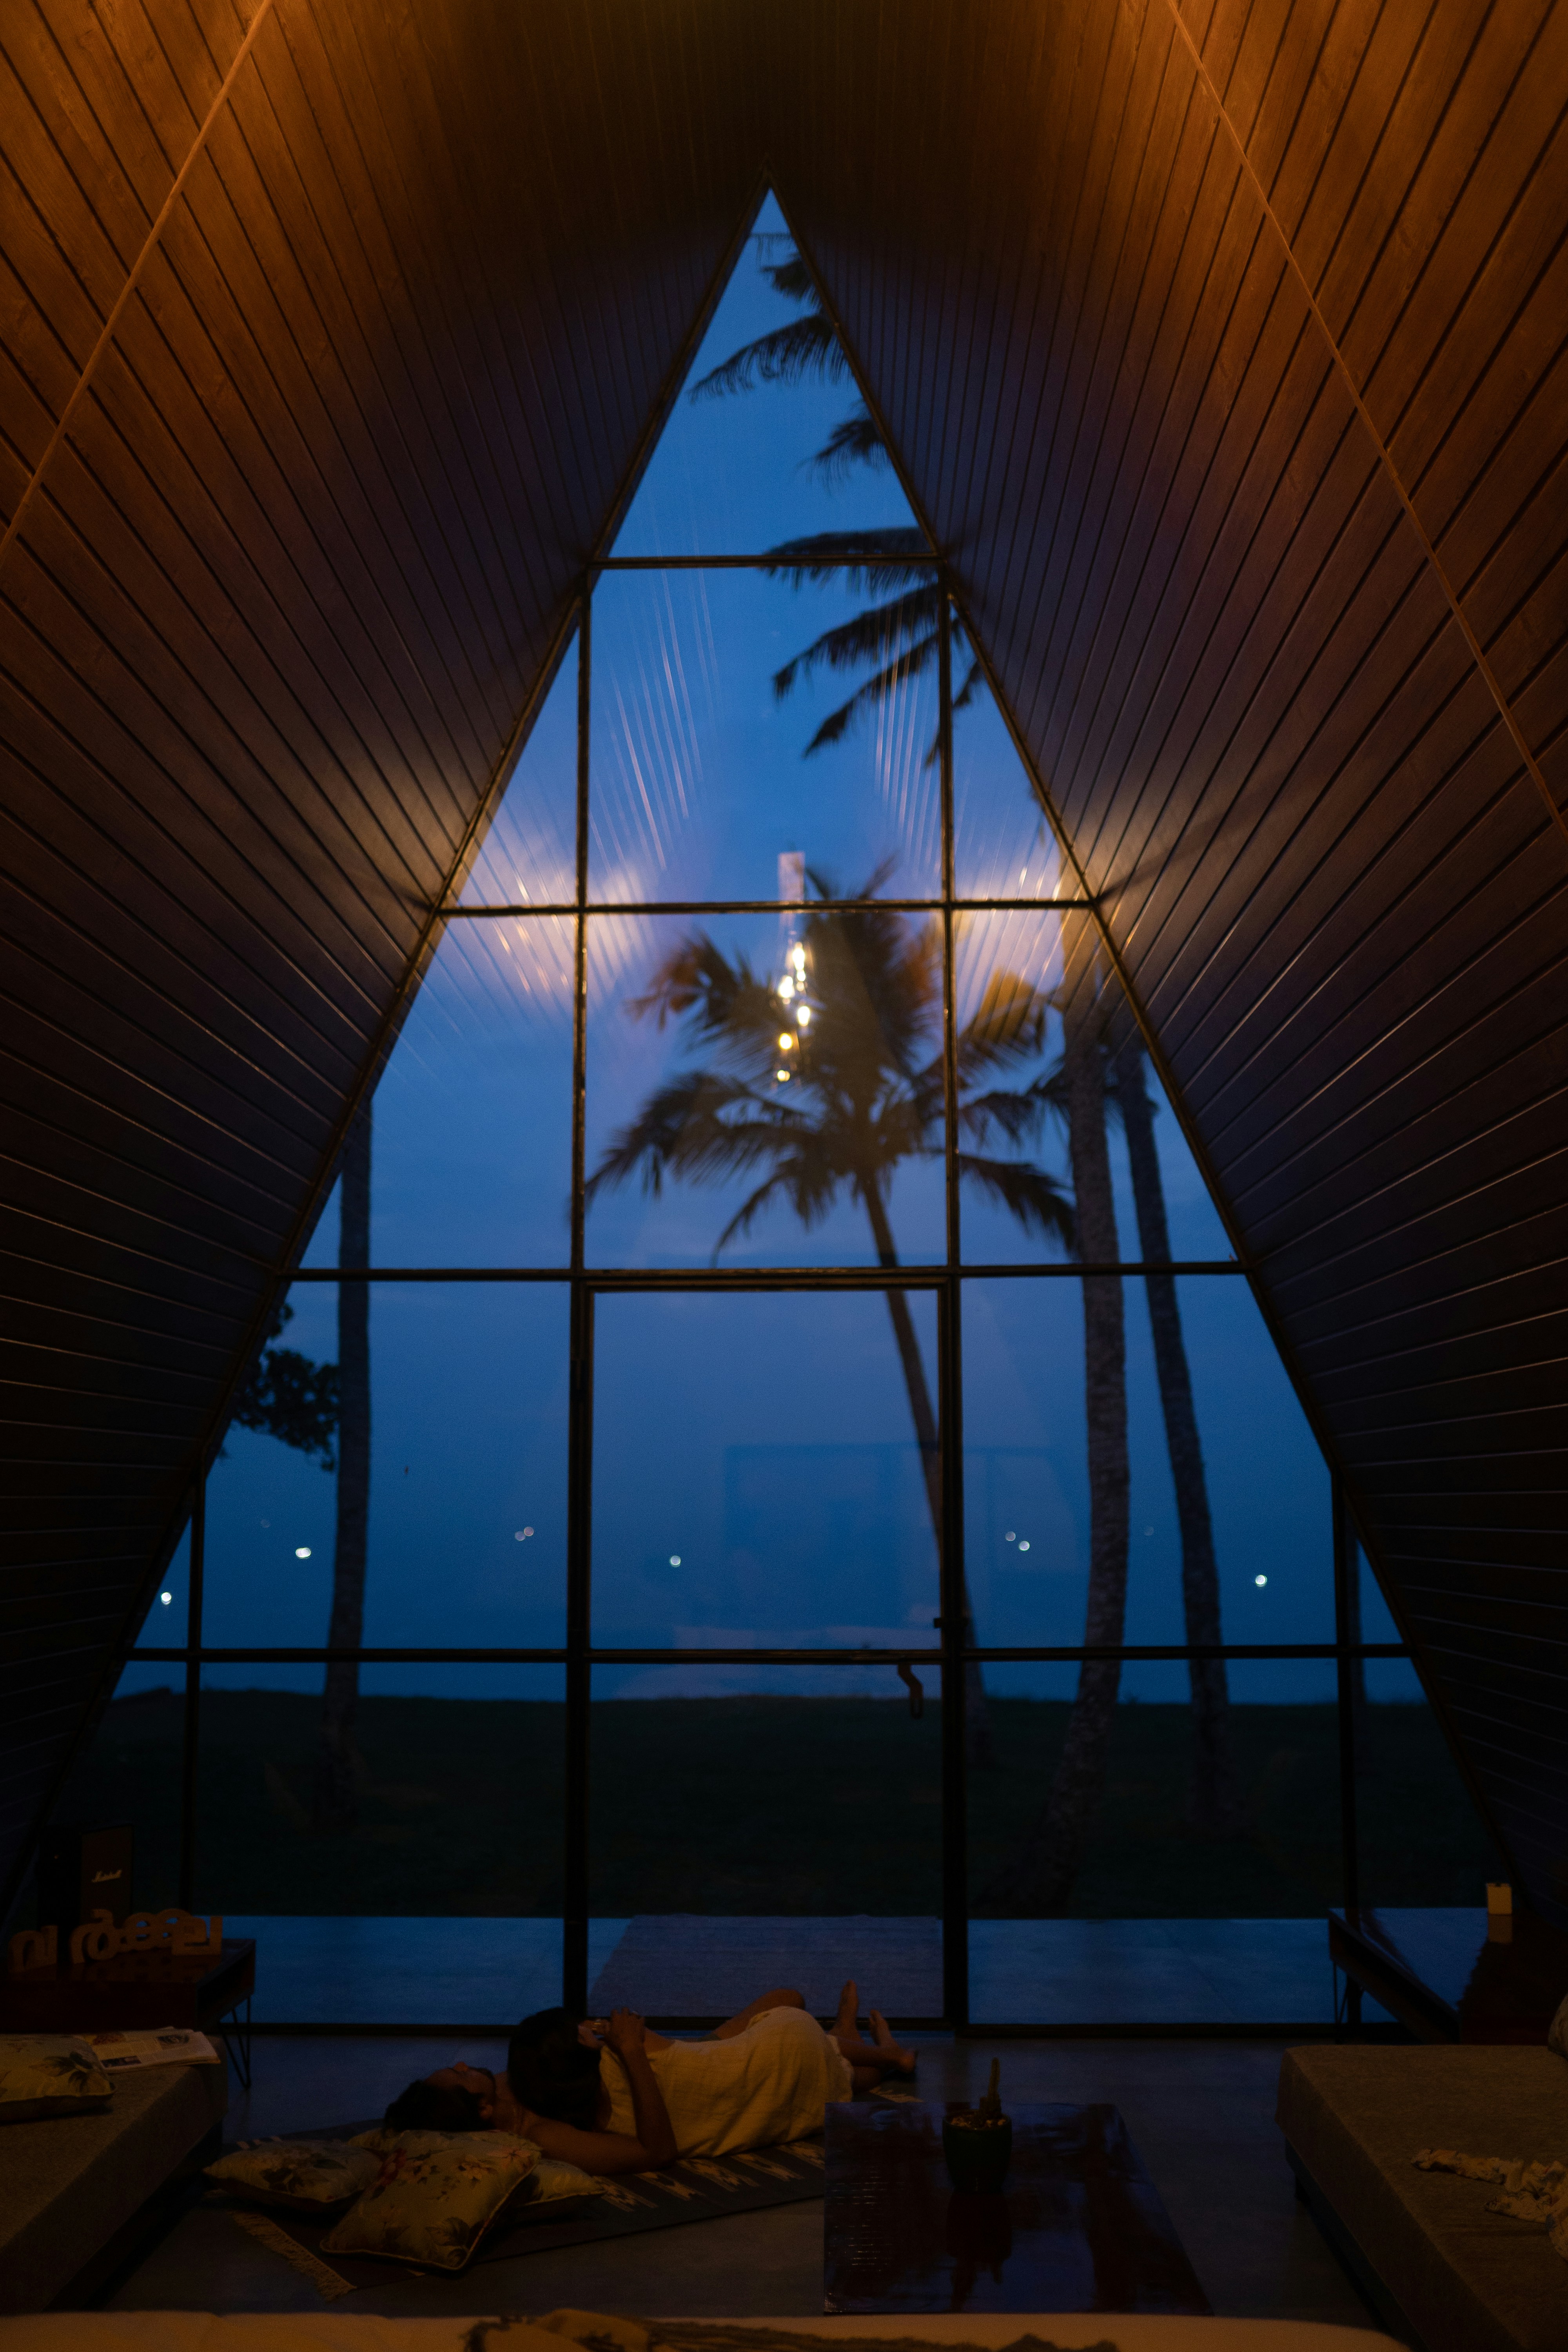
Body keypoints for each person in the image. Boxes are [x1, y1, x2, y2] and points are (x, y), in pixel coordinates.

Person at [383, 1981, 915, 2174]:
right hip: (774, 2057)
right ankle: (881, 2052)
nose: (460, 2064)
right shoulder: (544, 2133)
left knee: (791, 2009)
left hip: (716, 2065)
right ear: (479, 2111)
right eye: (457, 2077)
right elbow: (656, 2152)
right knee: (793, 2018)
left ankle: (861, 2044)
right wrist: (634, 2052)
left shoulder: (515, 2083)